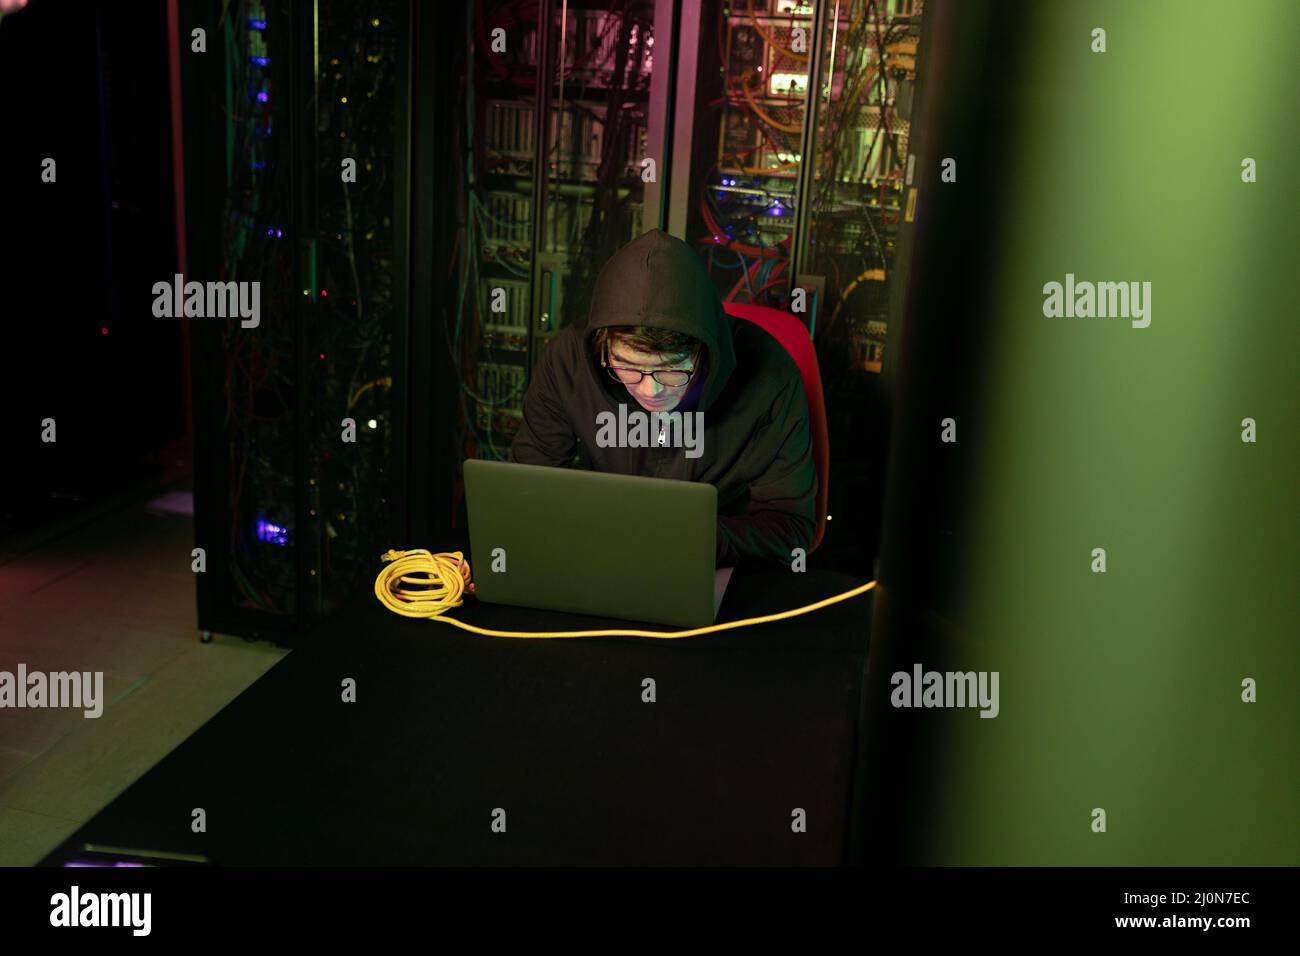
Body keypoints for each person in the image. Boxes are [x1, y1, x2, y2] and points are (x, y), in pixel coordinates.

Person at [508, 228, 816, 567]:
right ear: (601, 348)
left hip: (713, 561)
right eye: (627, 368)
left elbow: (791, 527)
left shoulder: (771, 377)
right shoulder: (569, 360)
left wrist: (699, 539)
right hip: (598, 551)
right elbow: (529, 488)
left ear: (705, 353)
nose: (650, 391)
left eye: (671, 370)